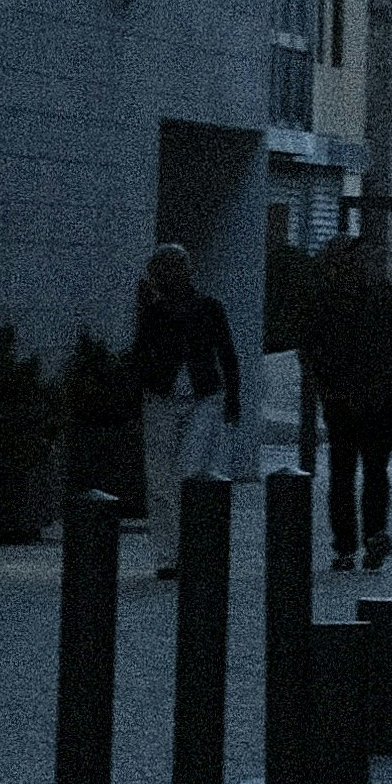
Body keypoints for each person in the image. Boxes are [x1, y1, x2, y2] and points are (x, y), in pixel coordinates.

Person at [296, 228, 392, 575]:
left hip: (374, 397)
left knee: (369, 472)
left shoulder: (378, 294)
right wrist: (325, 387)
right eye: (348, 256)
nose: (354, 263)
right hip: (346, 397)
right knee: (347, 473)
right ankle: (349, 543)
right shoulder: (325, 299)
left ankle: (371, 536)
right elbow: (309, 349)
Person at [126, 239, 243, 569]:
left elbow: (227, 355)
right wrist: (135, 399)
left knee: (187, 472)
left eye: (177, 269)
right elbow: (140, 355)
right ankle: (167, 555)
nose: (174, 277)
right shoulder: (154, 313)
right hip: (161, 396)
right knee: (160, 477)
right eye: (167, 271)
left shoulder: (209, 308)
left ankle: (186, 547)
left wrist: (232, 398)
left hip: (202, 397)